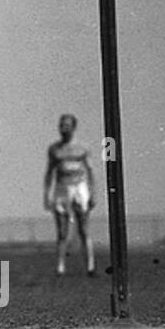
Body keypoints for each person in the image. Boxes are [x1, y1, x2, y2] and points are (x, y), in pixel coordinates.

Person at [44, 113, 98, 276]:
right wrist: (47, 194)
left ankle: (90, 266)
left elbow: (90, 171)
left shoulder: (82, 148)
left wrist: (92, 193)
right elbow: (49, 173)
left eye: (67, 125)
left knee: (83, 229)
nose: (63, 129)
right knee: (62, 231)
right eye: (61, 125)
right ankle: (60, 267)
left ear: (73, 127)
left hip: (79, 187)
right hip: (62, 188)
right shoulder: (54, 149)